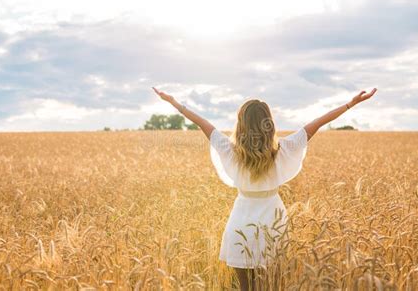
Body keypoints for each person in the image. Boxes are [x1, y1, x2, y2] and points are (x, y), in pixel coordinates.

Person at [152, 86, 377, 290]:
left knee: (245, 288)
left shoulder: (229, 150)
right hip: (274, 223)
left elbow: (202, 123)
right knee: (272, 286)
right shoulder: (285, 149)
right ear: (268, 123)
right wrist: (351, 103)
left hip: (241, 222)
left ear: (241, 124)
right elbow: (317, 122)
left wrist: (173, 102)